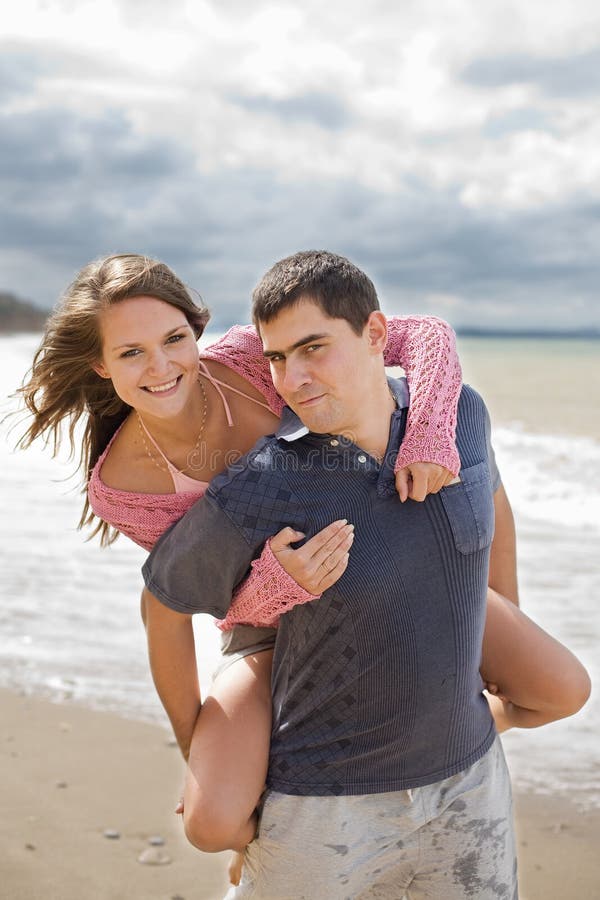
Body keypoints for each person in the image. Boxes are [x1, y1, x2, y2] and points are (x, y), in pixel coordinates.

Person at [141, 250, 590, 898]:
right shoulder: (265, 484)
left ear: (376, 336)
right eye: (276, 358)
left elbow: (496, 511)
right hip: (326, 807)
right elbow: (165, 599)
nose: (292, 378)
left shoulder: (459, 416)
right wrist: (197, 754)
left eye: (313, 348)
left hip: (469, 786)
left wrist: (493, 645)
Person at [17, 253, 473, 881]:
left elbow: (422, 335)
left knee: (557, 689)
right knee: (213, 824)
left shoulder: (248, 360)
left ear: (196, 331)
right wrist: (273, 590)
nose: (162, 367)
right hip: (267, 629)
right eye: (130, 354)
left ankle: (474, 721)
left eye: (175, 339)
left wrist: (427, 434)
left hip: (379, 566)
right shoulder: (123, 487)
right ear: (100, 366)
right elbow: (200, 592)